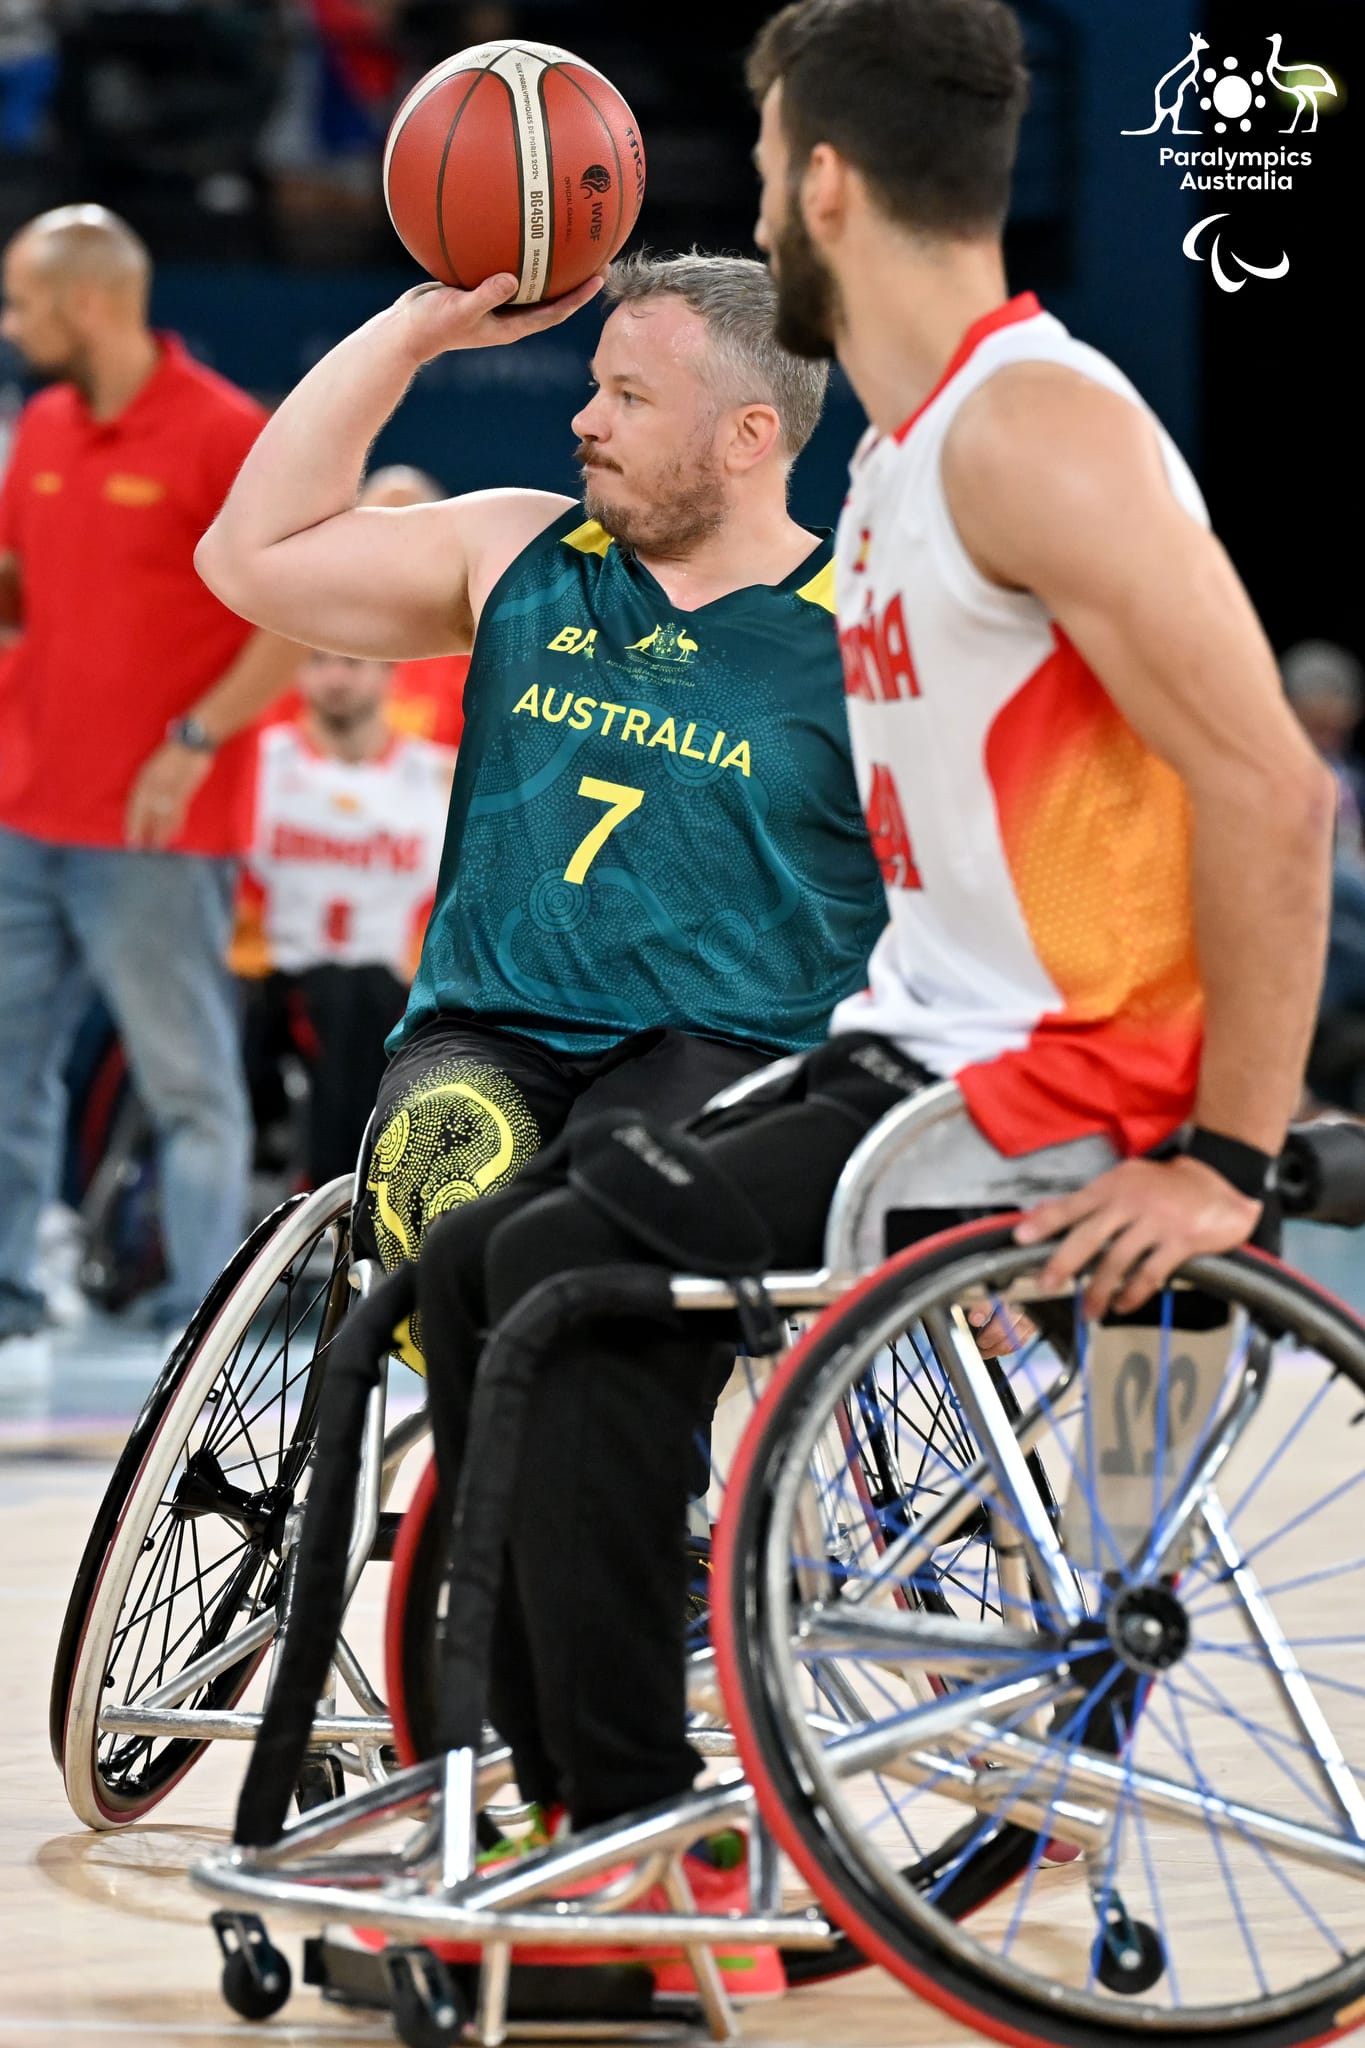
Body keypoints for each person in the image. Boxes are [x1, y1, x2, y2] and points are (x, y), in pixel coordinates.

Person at [386, 0, 1334, 1988]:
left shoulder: (1030, 429)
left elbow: (1265, 778)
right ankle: (576, 1819)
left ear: (818, 174)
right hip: (919, 1051)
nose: (753, 194)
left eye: (754, 159)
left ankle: (638, 1844)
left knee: (570, 1287)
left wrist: (1225, 1155)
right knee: (487, 1255)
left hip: (1050, 1081)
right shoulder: (914, 449)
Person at [196, 250, 887, 1361]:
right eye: (595, 384)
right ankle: (508, 1489)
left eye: (629, 397)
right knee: (442, 1162)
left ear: (747, 436)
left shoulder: (859, 629)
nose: (585, 419)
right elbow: (248, 557)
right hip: (494, 1031)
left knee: (619, 1217)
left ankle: (623, 1516)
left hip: (730, 1045)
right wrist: (408, 338)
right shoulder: (521, 548)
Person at [0, 205, 301, 1344]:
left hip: (158, 826)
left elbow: (283, 623)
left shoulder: (225, 435)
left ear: (87, 302)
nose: (11, 323)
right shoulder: (41, 423)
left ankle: (202, 1320)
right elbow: (23, 589)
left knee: (189, 1087)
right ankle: (10, 1297)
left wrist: (192, 742)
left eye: (23, 300)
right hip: (25, 807)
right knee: (8, 1073)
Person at [235, 648, 455, 1189]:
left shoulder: (441, 777)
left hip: (390, 999)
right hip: (268, 984)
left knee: (362, 995)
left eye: (352, 663)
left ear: (390, 671)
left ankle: (341, 1188)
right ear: (296, 673)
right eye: (316, 660)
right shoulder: (258, 763)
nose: (335, 678)